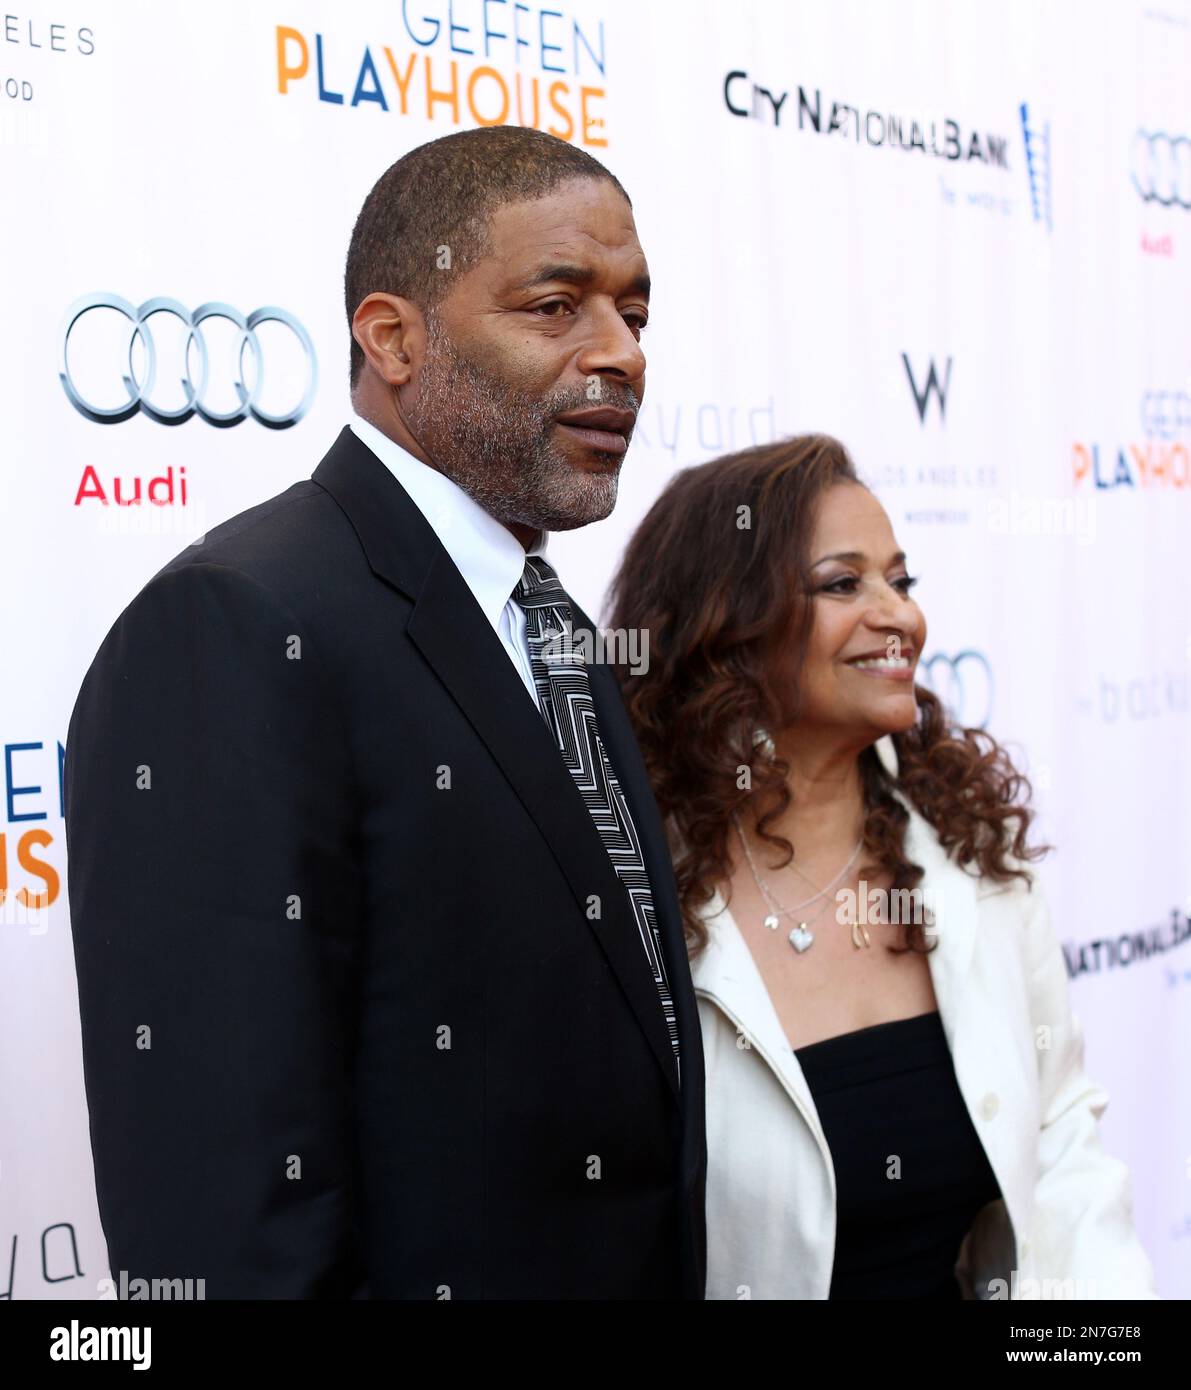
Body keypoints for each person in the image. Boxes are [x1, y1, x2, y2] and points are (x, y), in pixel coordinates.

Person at [64, 125, 706, 1300]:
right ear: (393, 338)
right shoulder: (237, 625)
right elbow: (224, 1219)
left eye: (636, 314)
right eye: (557, 307)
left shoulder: (553, 621)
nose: (620, 356)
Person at [606, 434, 1156, 1300]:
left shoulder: (973, 853)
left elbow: (1060, 1144)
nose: (897, 615)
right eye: (842, 583)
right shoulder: (629, 894)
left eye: (899, 581)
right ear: (727, 625)